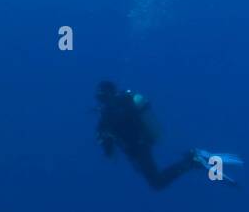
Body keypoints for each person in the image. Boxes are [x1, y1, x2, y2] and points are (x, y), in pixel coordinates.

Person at [93, 80, 240, 190]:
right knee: (156, 179)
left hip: (139, 147)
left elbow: (109, 153)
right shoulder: (124, 102)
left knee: (157, 183)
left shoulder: (108, 116)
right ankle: (192, 157)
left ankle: (193, 161)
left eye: (101, 98)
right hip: (145, 142)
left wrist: (105, 137)